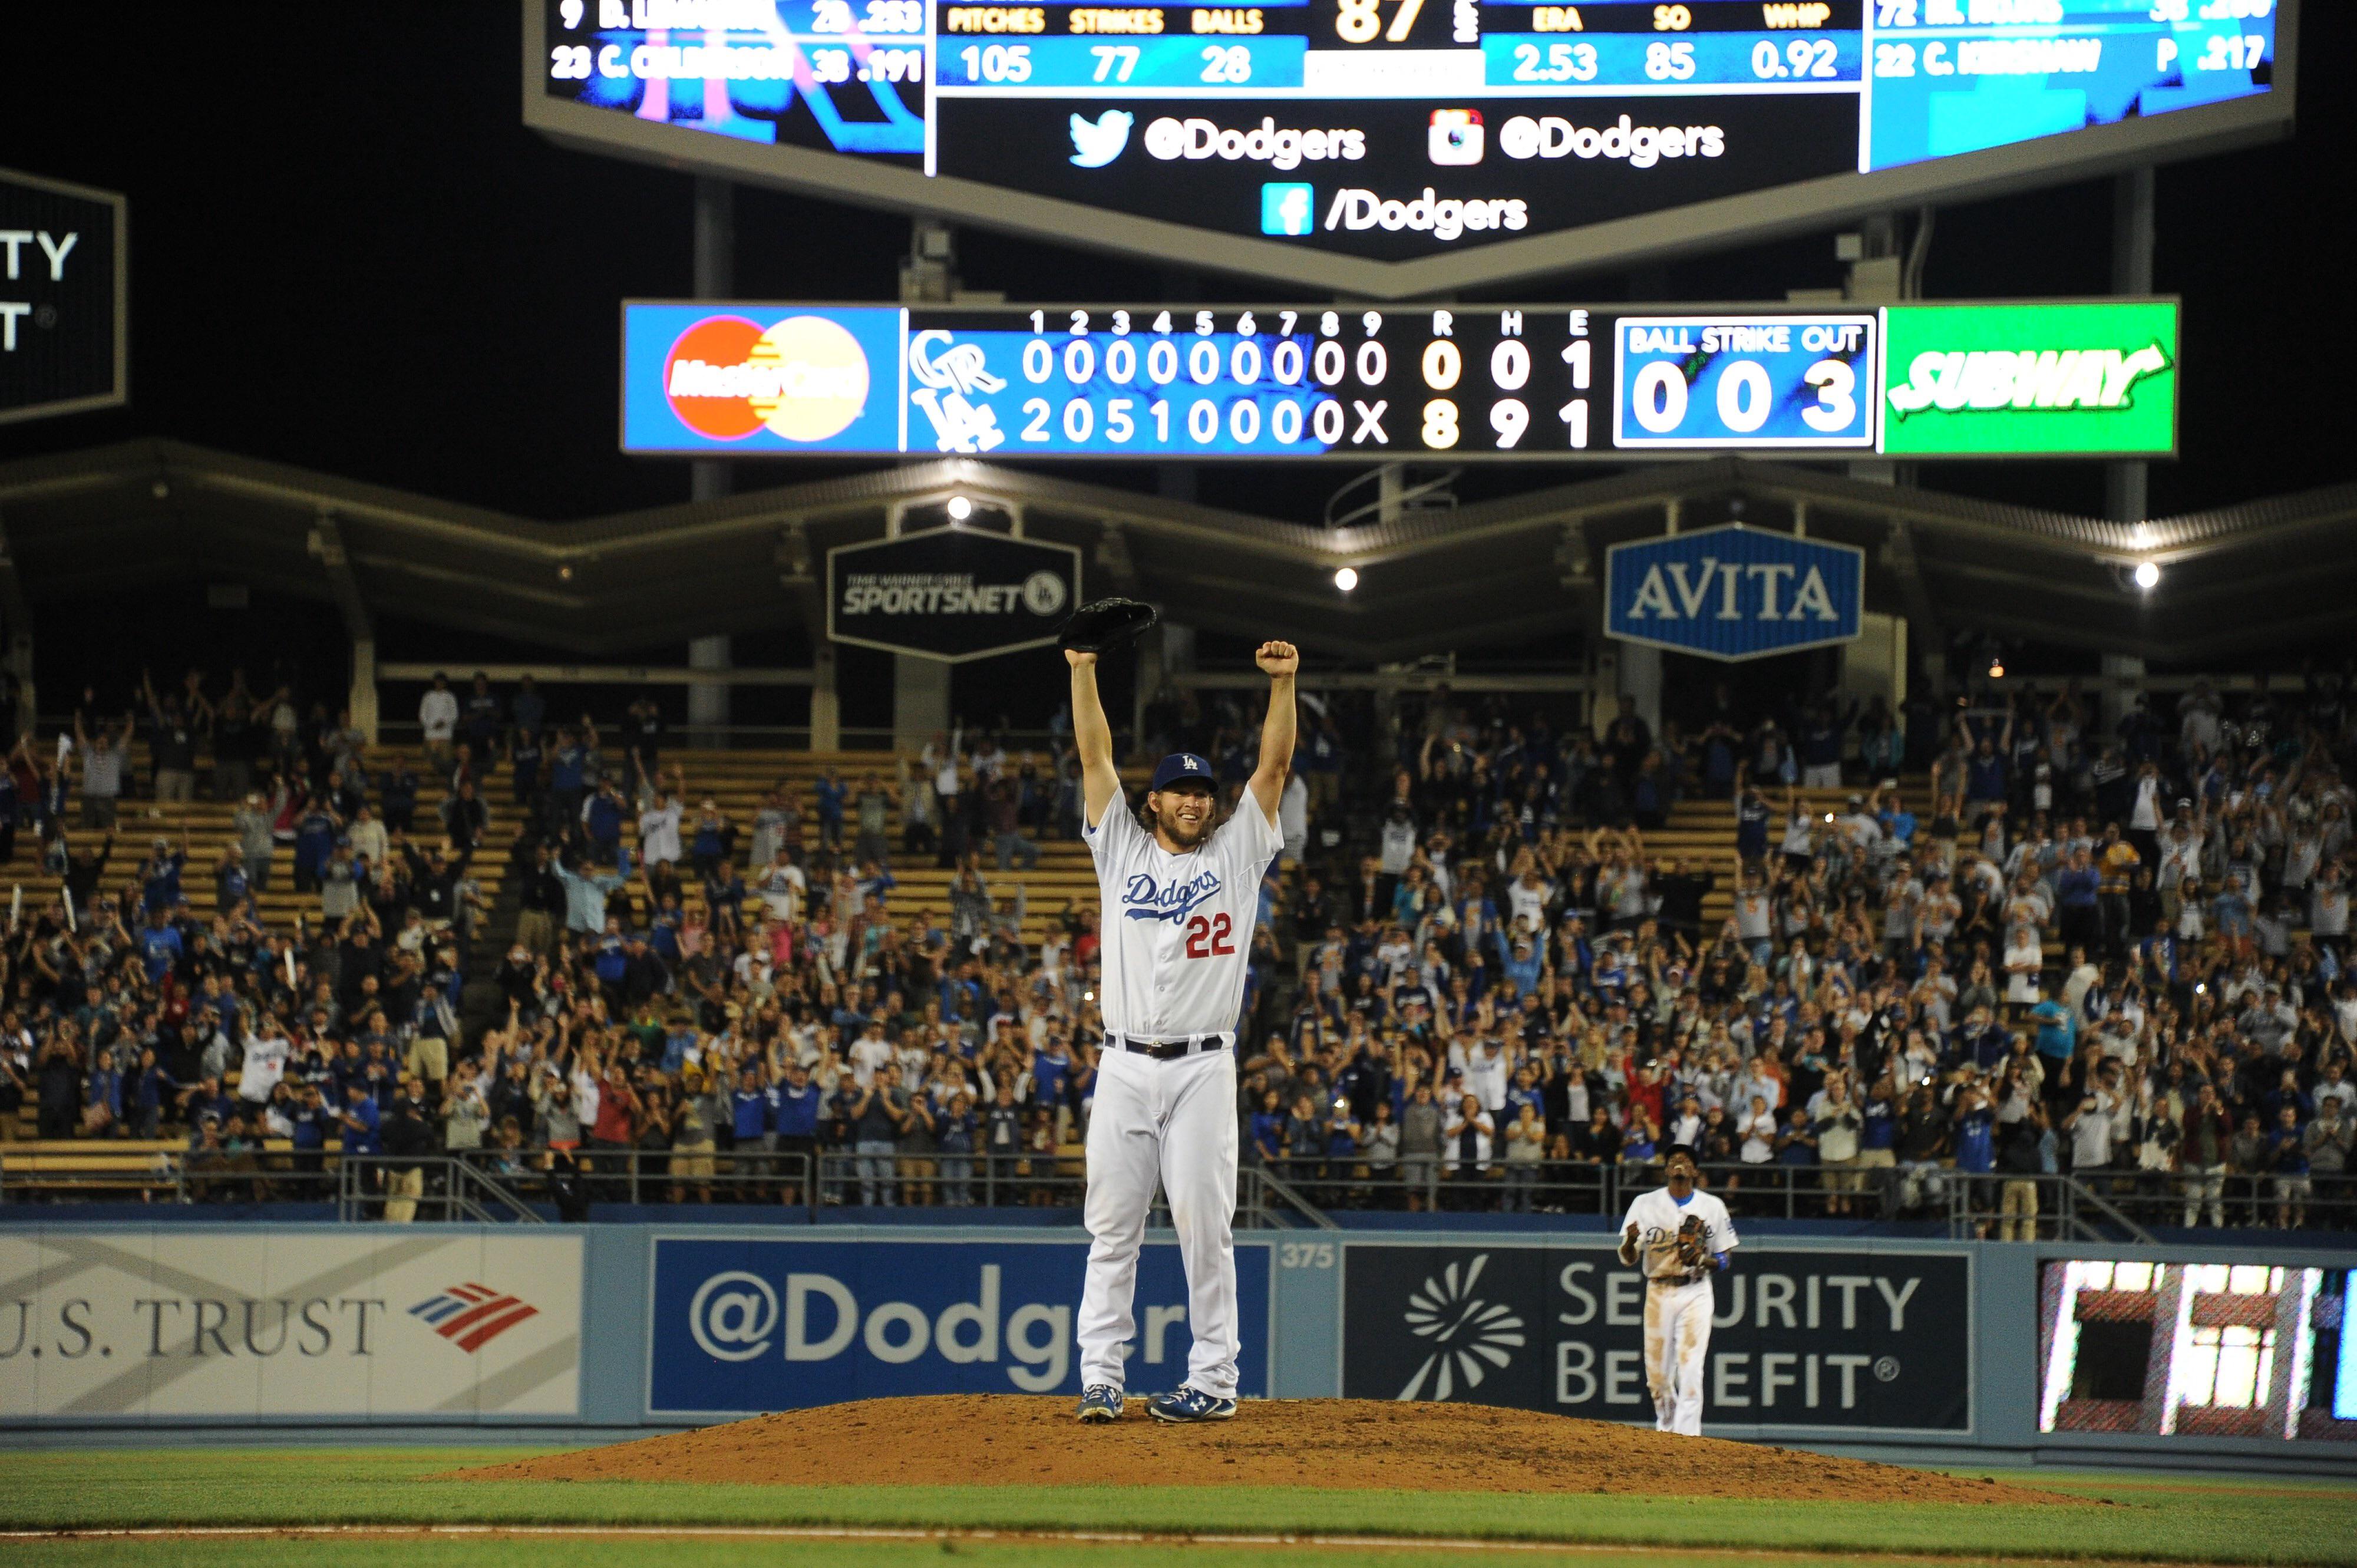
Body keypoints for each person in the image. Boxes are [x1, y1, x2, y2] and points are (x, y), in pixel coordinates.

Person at [1071, 633, 1296, 1425]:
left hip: (1203, 1066)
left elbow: (1271, 772)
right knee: (1113, 1227)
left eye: (1203, 791)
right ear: (1155, 802)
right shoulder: (1120, 851)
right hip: (1125, 1064)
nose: (1195, 800)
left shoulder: (1236, 856)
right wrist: (1084, 667)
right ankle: (1101, 1377)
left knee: (1207, 1228)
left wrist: (1282, 685)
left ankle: (1215, 1379)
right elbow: (1096, 758)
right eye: (1180, 791)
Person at [1616, 1145, 1738, 1437]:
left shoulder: (1712, 1206)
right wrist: (1631, 1241)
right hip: (1659, 1290)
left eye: (1685, 1161)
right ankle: (1667, 1429)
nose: (1679, 1165)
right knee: (1657, 1379)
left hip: (1695, 1290)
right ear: (1667, 1170)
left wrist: (1703, 1260)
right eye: (1673, 1161)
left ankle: (1687, 1440)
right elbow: (1628, 1257)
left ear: (1695, 1171)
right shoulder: (1645, 1204)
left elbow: (1725, 1257)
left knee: (1691, 1368)